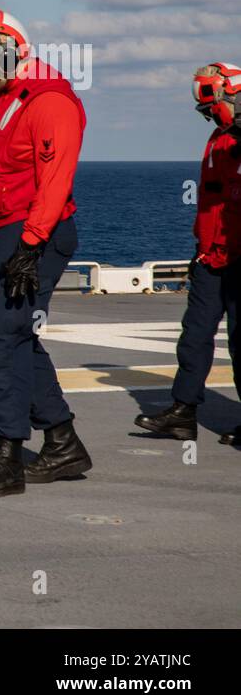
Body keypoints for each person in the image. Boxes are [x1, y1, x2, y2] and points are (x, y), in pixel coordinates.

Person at [0, 9, 92, 498]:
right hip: (1, 232)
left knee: (0, 343)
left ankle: (6, 457)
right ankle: (62, 443)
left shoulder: (48, 101)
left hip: (32, 234)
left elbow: (55, 183)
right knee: (18, 340)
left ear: (5, 53)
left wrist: (29, 247)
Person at [136, 63, 241, 447]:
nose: (210, 115)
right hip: (211, 259)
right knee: (194, 335)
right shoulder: (217, 140)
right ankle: (182, 412)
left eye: (212, 107)